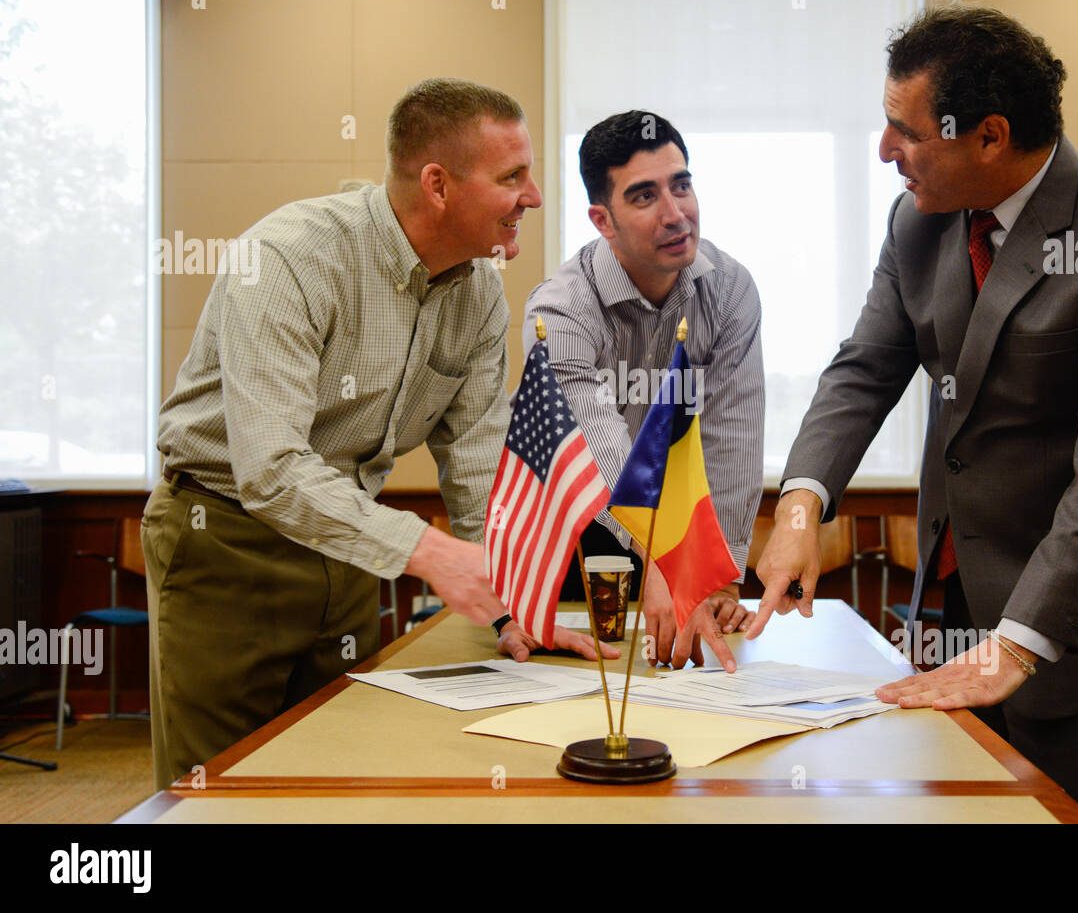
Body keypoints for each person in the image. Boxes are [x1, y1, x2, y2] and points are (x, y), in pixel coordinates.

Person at [748, 6, 1078, 823]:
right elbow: (864, 369)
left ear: (988, 135)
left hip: (1076, 636)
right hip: (948, 615)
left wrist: (1023, 640)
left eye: (905, 131)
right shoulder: (917, 222)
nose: (885, 152)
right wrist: (799, 502)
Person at [143, 78, 614, 790]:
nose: (535, 197)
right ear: (437, 185)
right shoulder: (288, 259)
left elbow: (479, 464)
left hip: (353, 548)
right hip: (227, 543)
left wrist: (510, 599)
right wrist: (431, 554)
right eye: (512, 176)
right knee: (219, 792)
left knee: (337, 774)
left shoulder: (481, 290)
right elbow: (269, 472)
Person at [523, 111, 763, 672]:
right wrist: (660, 563)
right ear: (603, 220)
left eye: (682, 185)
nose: (676, 213)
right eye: (644, 196)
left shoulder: (730, 292)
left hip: (682, 532)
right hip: (579, 541)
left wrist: (717, 580)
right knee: (584, 708)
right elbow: (602, 450)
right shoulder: (558, 308)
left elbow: (731, 443)